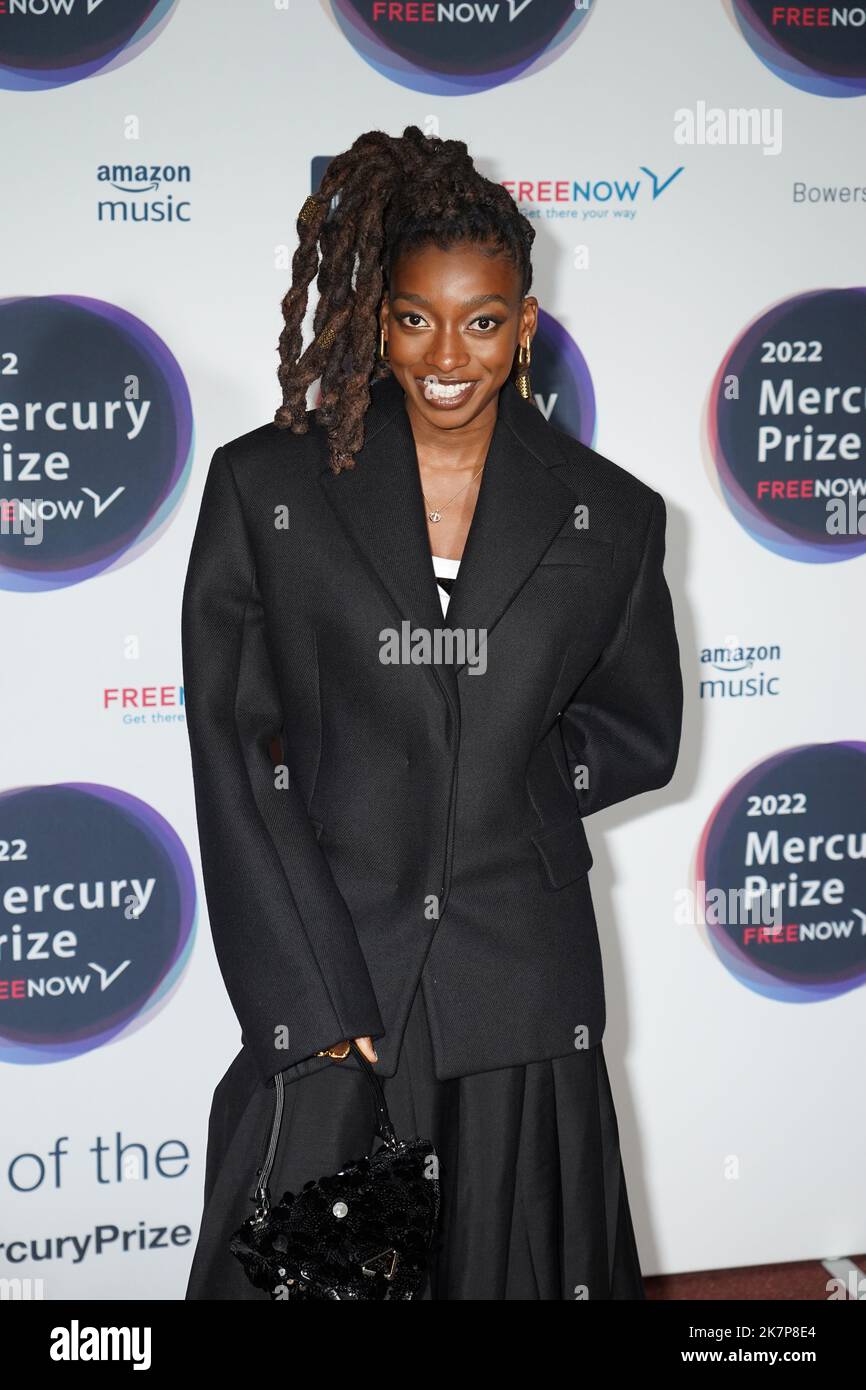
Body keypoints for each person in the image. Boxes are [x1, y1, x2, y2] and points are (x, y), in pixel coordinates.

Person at [180, 125, 683, 1300]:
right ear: (378, 321)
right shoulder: (269, 489)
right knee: (312, 1281)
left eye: (482, 319)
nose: (446, 352)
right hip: (337, 971)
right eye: (414, 316)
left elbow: (634, 728)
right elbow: (235, 747)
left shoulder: (606, 515)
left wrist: (504, 786)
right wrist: (306, 996)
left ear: (523, 327)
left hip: (516, 988)